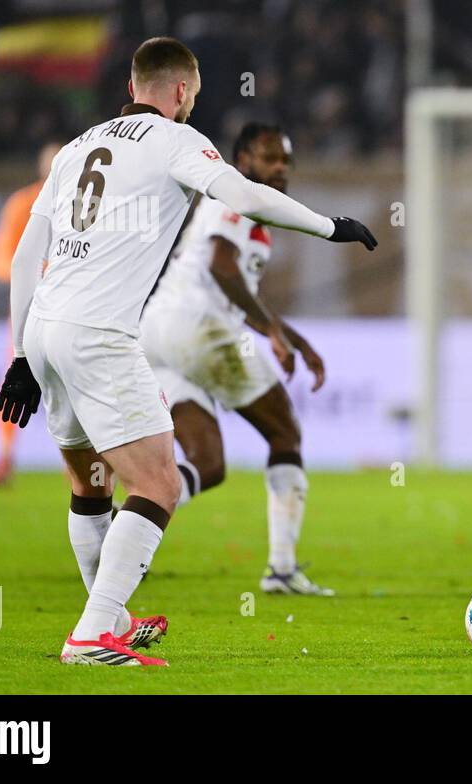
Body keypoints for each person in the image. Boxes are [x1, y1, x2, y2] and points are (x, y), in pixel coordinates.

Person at [0, 37, 377, 666]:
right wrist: (331, 225)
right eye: (193, 96)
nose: (191, 105)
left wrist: (18, 353)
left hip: (44, 327)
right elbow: (248, 196)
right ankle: (91, 636)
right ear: (180, 92)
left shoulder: (74, 149)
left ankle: (109, 617)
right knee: (161, 483)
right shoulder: (176, 141)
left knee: (90, 485)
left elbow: (21, 258)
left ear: (130, 87)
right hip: (99, 333)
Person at [140, 123, 333, 596]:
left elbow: (235, 288)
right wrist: (271, 332)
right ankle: (281, 569)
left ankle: (129, 532)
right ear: (242, 159)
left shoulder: (243, 210)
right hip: (196, 329)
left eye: (286, 160)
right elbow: (221, 267)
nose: (280, 169)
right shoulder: (236, 194)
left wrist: (294, 340)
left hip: (156, 334)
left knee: (207, 464)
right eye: (270, 158)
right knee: (284, 432)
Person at [0, 140, 64, 487]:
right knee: (16, 381)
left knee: (73, 386)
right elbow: (1, 260)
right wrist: (34, 275)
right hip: (30, 311)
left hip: (69, 309)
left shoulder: (81, 207)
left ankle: (80, 463)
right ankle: (3, 457)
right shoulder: (22, 205)